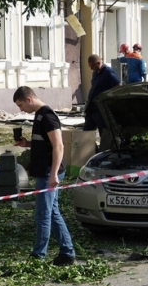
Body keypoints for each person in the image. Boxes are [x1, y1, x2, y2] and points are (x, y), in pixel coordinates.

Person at [12, 86, 76, 266]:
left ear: (29, 99)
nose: (20, 109)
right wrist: (28, 144)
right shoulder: (39, 116)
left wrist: (54, 174)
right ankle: (67, 253)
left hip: (49, 172)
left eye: (20, 105)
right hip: (44, 171)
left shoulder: (47, 117)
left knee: (43, 214)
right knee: (52, 212)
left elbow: (59, 146)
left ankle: (38, 257)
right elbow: (46, 144)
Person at [84, 54, 121, 151]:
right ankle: (92, 151)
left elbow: (117, 87)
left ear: (98, 63)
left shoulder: (108, 72)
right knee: (86, 133)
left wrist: (110, 102)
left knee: (103, 133)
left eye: (92, 66)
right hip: (91, 108)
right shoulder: (95, 73)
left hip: (100, 109)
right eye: (90, 67)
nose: (91, 69)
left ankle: (104, 152)